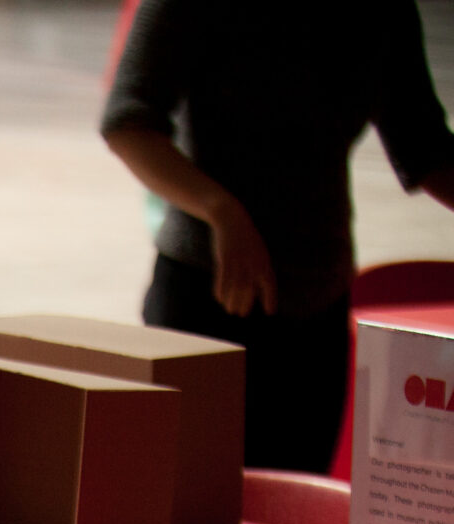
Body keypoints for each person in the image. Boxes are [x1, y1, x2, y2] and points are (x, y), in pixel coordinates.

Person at [102, 0, 454, 471]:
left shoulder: (381, 10)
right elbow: (128, 123)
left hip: (319, 310)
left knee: (296, 507)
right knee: (194, 501)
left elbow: (426, 149)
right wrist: (222, 212)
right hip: (208, 299)